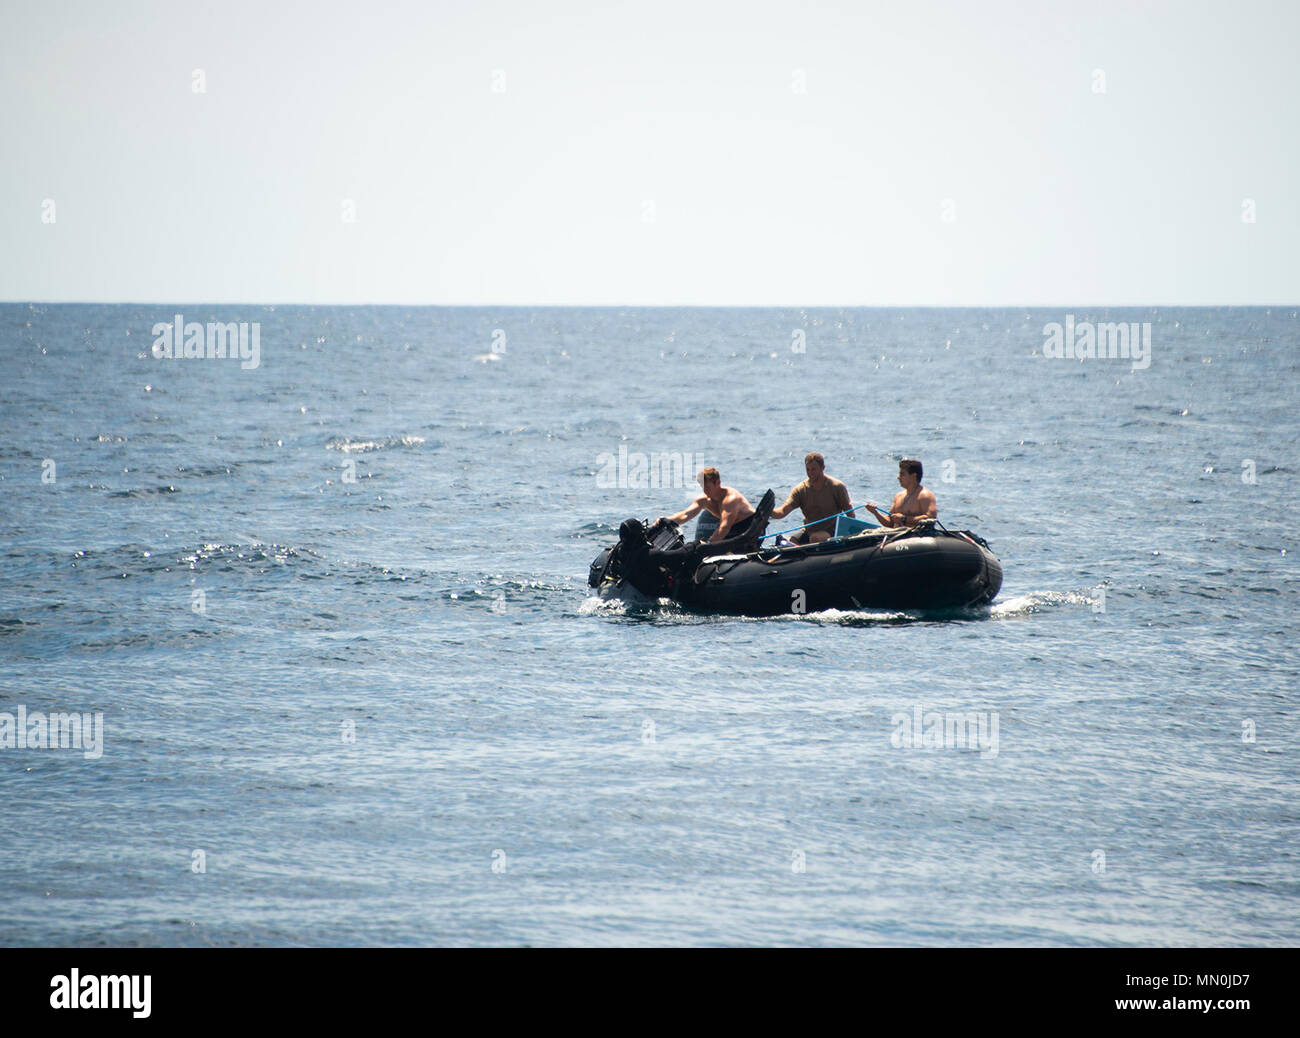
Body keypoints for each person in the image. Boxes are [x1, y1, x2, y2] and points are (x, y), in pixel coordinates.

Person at [769, 452, 854, 544]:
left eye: (813, 469)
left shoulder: (837, 487)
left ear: (823, 468)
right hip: (809, 531)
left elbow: (851, 514)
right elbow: (782, 512)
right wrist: (768, 511)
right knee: (790, 541)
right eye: (808, 469)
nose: (810, 473)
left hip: (832, 531)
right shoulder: (800, 490)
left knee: (815, 538)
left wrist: (848, 536)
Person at [661, 467, 756, 543]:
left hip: (749, 529)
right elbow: (685, 515)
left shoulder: (730, 500)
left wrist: (707, 546)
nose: (705, 491)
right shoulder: (704, 500)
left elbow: (724, 528)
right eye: (702, 487)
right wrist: (664, 522)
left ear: (718, 483)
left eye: (708, 487)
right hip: (731, 532)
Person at [864, 458, 937, 528]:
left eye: (902, 474)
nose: (898, 477)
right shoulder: (899, 496)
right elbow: (889, 523)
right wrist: (875, 512)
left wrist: (904, 519)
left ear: (913, 476)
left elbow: (931, 519)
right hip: (897, 536)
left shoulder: (924, 495)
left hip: (916, 536)